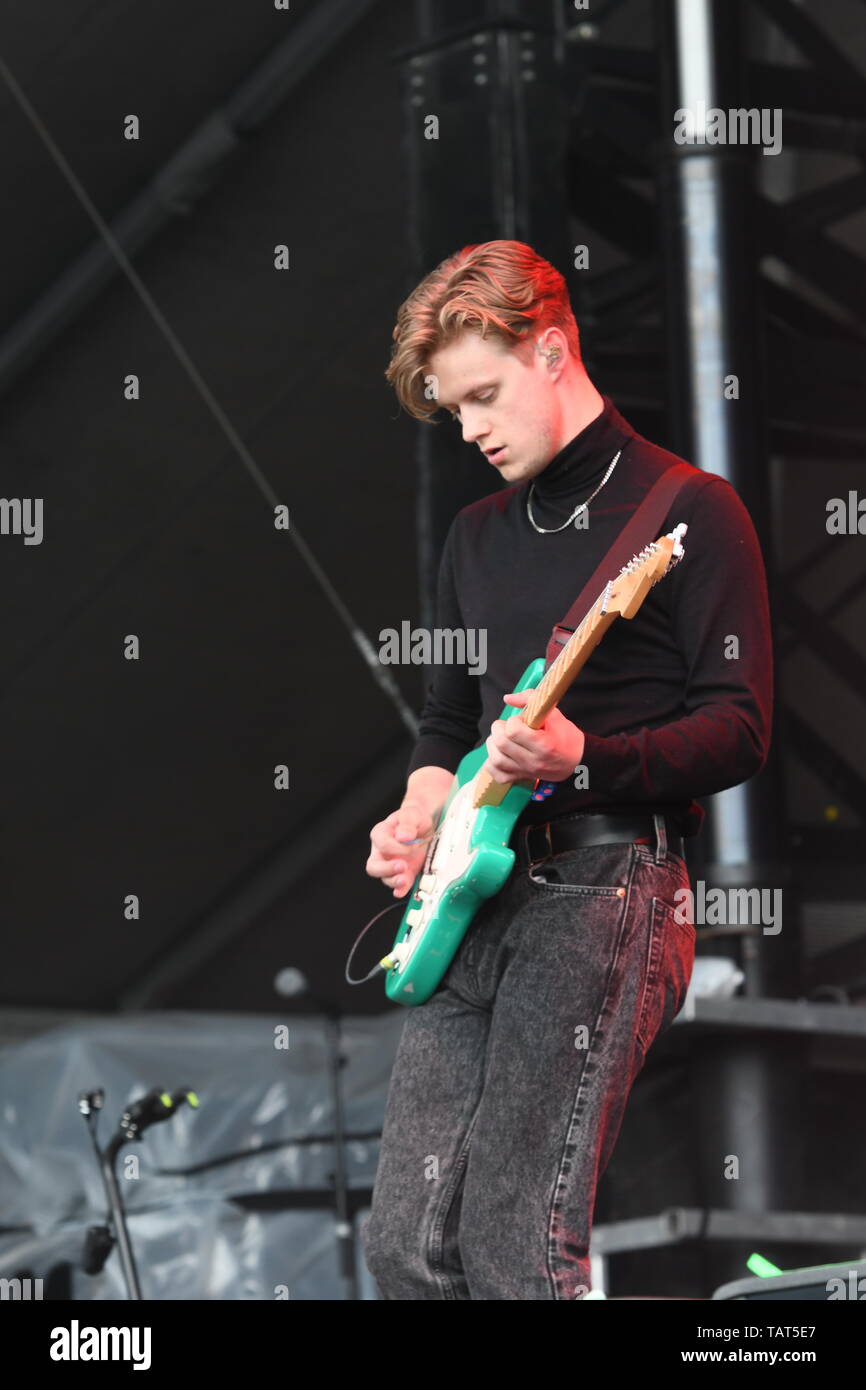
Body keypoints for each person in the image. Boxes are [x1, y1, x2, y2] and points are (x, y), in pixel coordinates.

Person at [362, 240, 773, 1299]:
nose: (471, 430)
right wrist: (416, 814)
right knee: (405, 1242)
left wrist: (583, 755)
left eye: (483, 397)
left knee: (513, 1239)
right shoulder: (473, 535)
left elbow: (736, 728)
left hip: (605, 886)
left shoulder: (688, 510)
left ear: (550, 350)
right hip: (471, 892)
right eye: (453, 411)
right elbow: (447, 719)